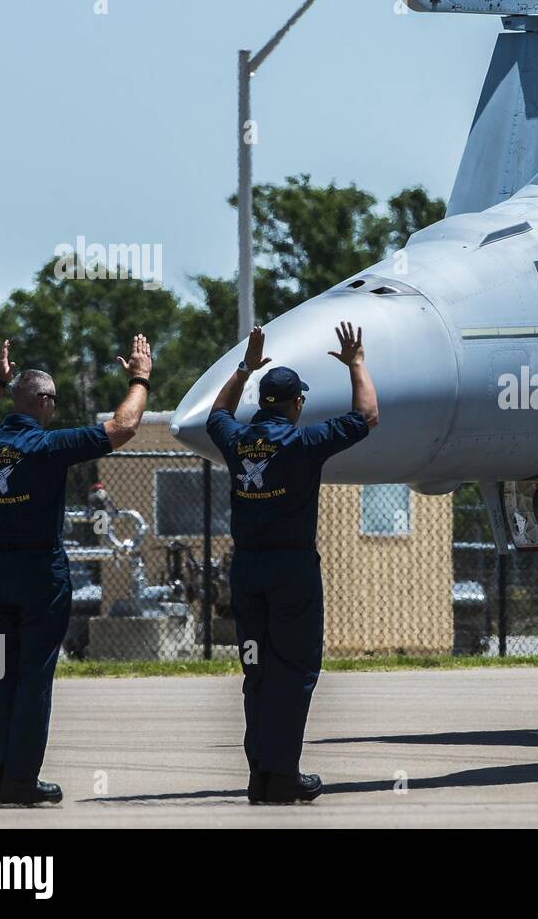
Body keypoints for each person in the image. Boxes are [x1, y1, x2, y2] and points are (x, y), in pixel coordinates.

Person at [0, 335, 152, 804]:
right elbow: (124, 426)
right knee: (33, 677)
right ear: (44, 402)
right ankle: (21, 781)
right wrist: (140, 377)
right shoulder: (49, 446)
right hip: (38, 574)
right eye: (54, 401)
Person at [206, 322, 378, 804]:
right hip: (291, 574)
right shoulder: (304, 442)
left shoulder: (237, 442)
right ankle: (282, 775)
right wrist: (356, 364)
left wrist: (244, 367)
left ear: (264, 403)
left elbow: (217, 413)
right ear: (296, 403)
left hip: (247, 574)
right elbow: (367, 415)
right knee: (294, 670)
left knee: (257, 669)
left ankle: (261, 772)